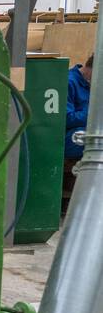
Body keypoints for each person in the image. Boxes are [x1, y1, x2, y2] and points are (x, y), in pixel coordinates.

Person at [64, 54, 92, 209]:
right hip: (70, 138)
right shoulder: (69, 82)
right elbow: (66, 119)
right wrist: (94, 111)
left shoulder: (94, 84)